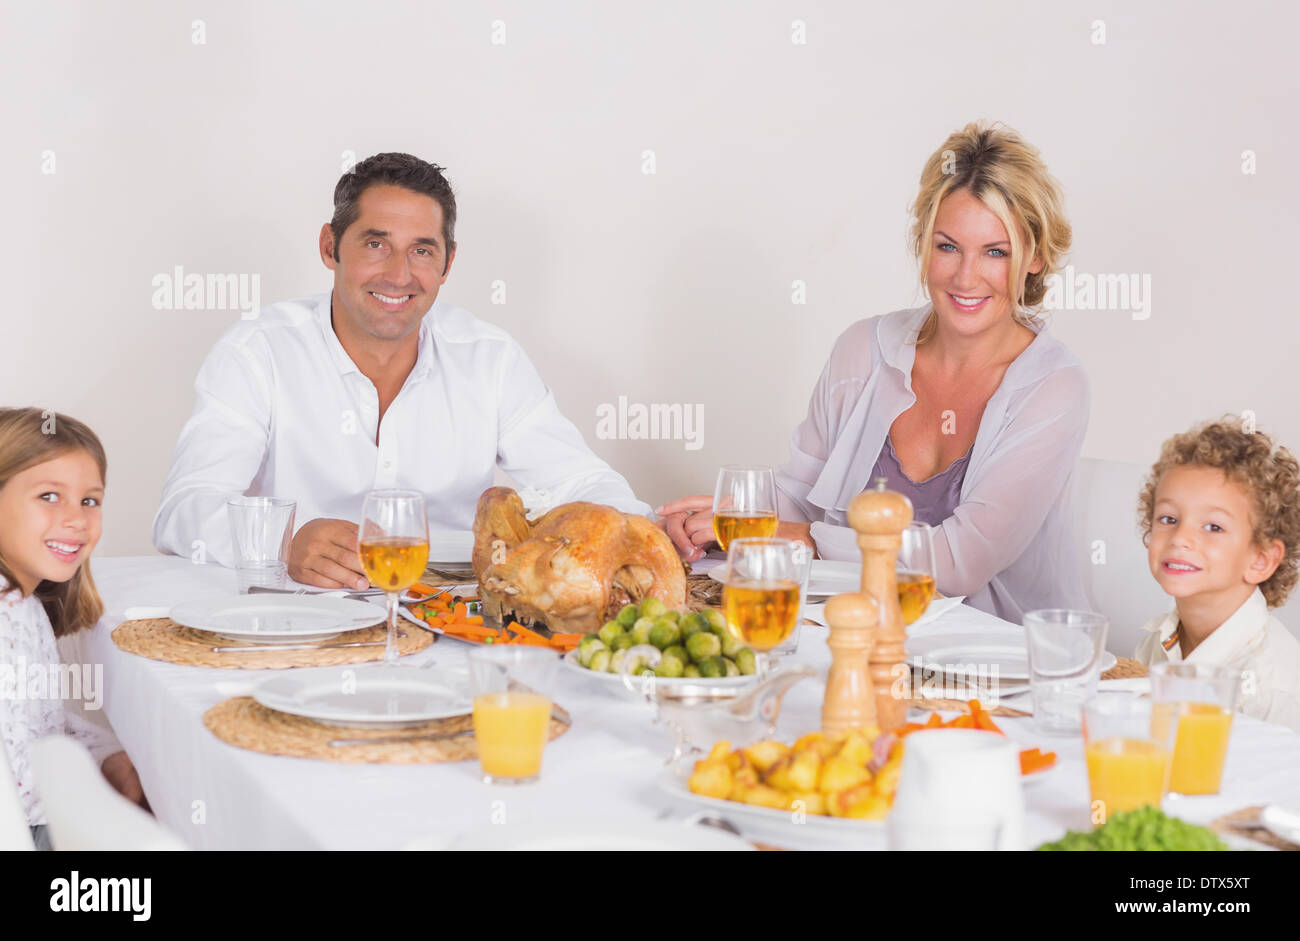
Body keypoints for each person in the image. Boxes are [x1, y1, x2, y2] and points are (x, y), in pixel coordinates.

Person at [659, 121, 1090, 622]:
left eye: (996, 252)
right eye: (947, 246)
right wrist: (728, 512)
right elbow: (801, 492)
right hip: (856, 633)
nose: (966, 276)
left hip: (1004, 660)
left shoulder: (1053, 387)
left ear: (1035, 257)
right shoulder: (864, 349)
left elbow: (958, 563)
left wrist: (807, 541)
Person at [153, 153, 649, 588]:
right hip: (294, 623)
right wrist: (283, 541)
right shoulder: (258, 351)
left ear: (447, 263)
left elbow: (581, 484)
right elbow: (184, 510)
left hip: (450, 620)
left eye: (422, 250)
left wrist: (651, 530)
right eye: (375, 244)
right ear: (330, 247)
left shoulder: (490, 357)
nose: (399, 274)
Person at [0, 407, 147, 850]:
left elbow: (35, 720)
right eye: (49, 496)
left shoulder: (23, 604)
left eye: (90, 500)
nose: (77, 519)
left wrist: (104, 753)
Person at [1134, 418, 1300, 732]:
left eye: (1213, 527)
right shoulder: (1156, 641)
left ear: (1260, 560)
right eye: (1169, 518)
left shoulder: (1268, 688)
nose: (1180, 537)